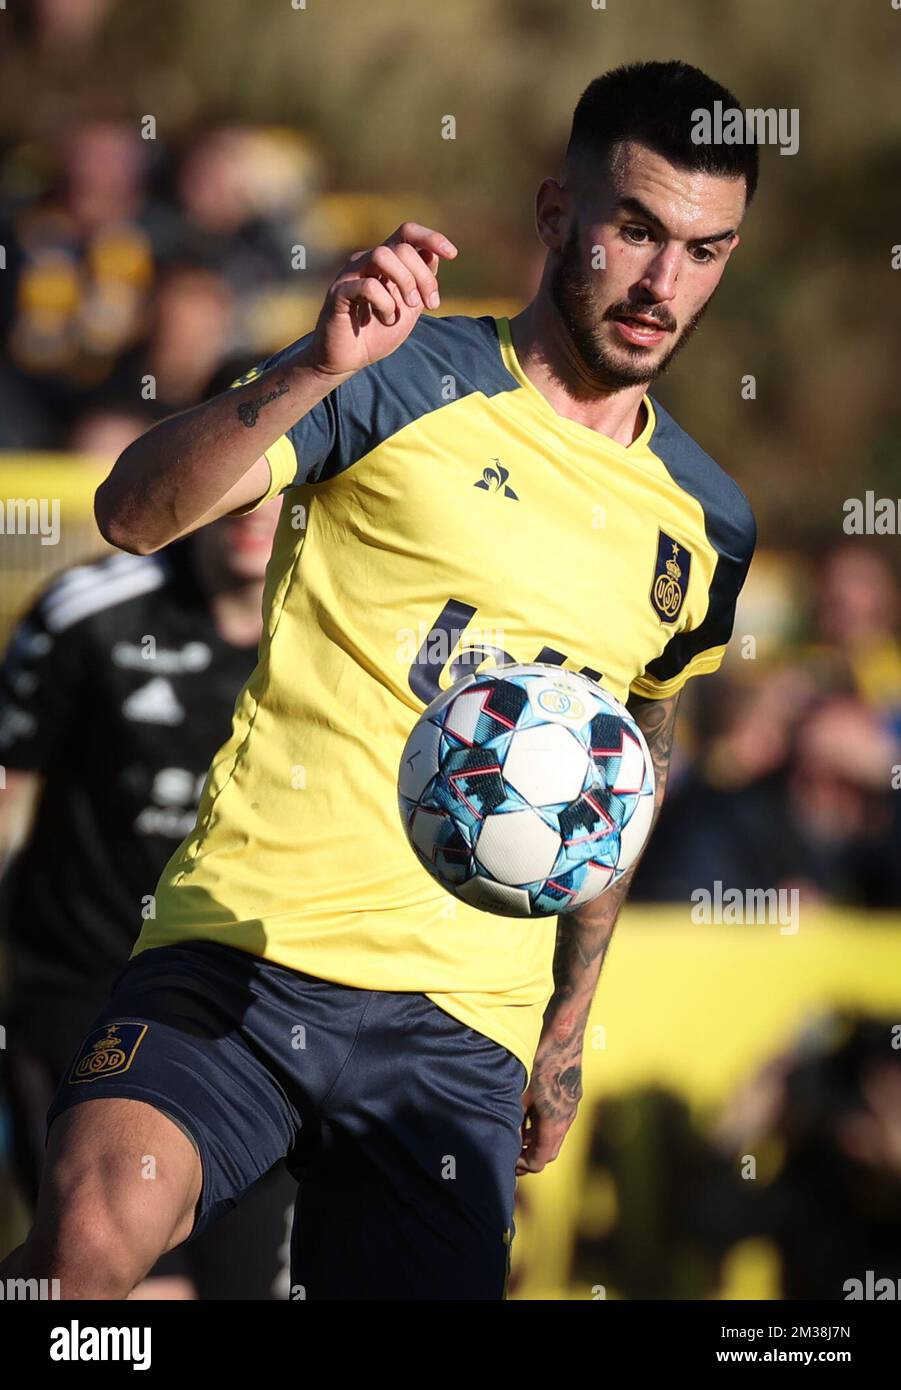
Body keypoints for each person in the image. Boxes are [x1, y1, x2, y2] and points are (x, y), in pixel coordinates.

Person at [1, 59, 759, 1300]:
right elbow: (133, 512)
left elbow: (643, 749)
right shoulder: (402, 375)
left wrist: (564, 1031)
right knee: (83, 1263)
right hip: (246, 951)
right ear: (557, 211)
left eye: (705, 249)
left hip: (458, 1032)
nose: (663, 284)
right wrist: (314, 363)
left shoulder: (710, 520)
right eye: (635, 228)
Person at [0, 499, 298, 1298]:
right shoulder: (91, 613)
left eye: (283, 479)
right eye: (240, 485)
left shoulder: (343, 630)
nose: (259, 509)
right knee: (118, 1284)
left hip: (254, 1014)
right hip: (85, 994)